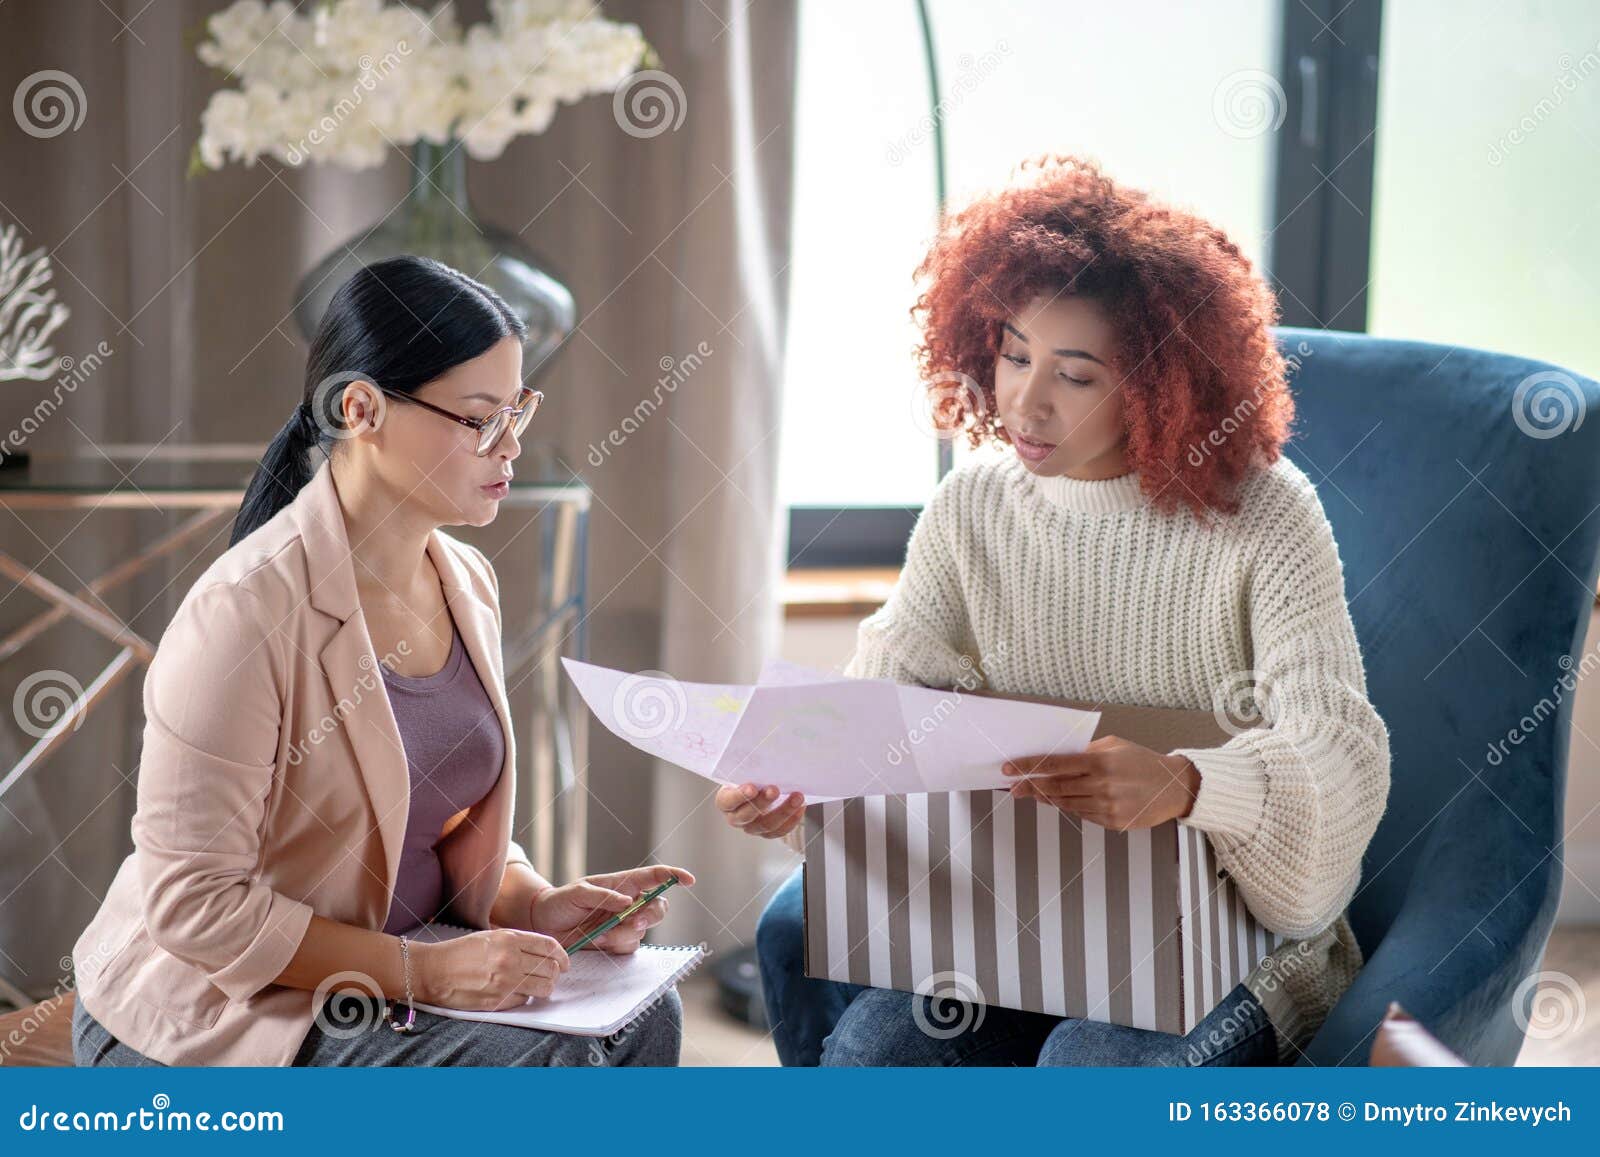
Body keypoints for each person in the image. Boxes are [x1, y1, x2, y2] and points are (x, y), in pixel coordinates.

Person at [719, 154, 1391, 1067]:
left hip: (1221, 944)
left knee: (1091, 1062)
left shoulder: (1264, 514)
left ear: (1162, 384)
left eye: (1075, 376)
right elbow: (887, 706)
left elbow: (1339, 752)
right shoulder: (974, 505)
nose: (1025, 402)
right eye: (1013, 354)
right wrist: (804, 786)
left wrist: (1188, 783)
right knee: (876, 1051)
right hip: (1009, 933)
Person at [71, 256, 694, 1067]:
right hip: (226, 1005)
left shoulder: (465, 579)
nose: (509, 445)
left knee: (647, 1015)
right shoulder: (244, 614)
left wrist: (534, 904)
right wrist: (425, 971)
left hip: (387, 959)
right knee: (549, 1067)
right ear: (360, 408)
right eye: (479, 419)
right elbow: (196, 907)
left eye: (518, 410)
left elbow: (426, 821)